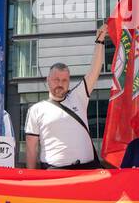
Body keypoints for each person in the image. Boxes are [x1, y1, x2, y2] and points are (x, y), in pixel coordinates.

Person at [24, 24, 110, 170]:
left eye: (64, 80)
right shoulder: (36, 110)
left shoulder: (79, 97)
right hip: (55, 174)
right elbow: (31, 149)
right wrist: (29, 180)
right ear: (48, 80)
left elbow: (94, 71)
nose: (60, 84)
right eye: (56, 79)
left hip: (87, 170)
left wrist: (100, 41)